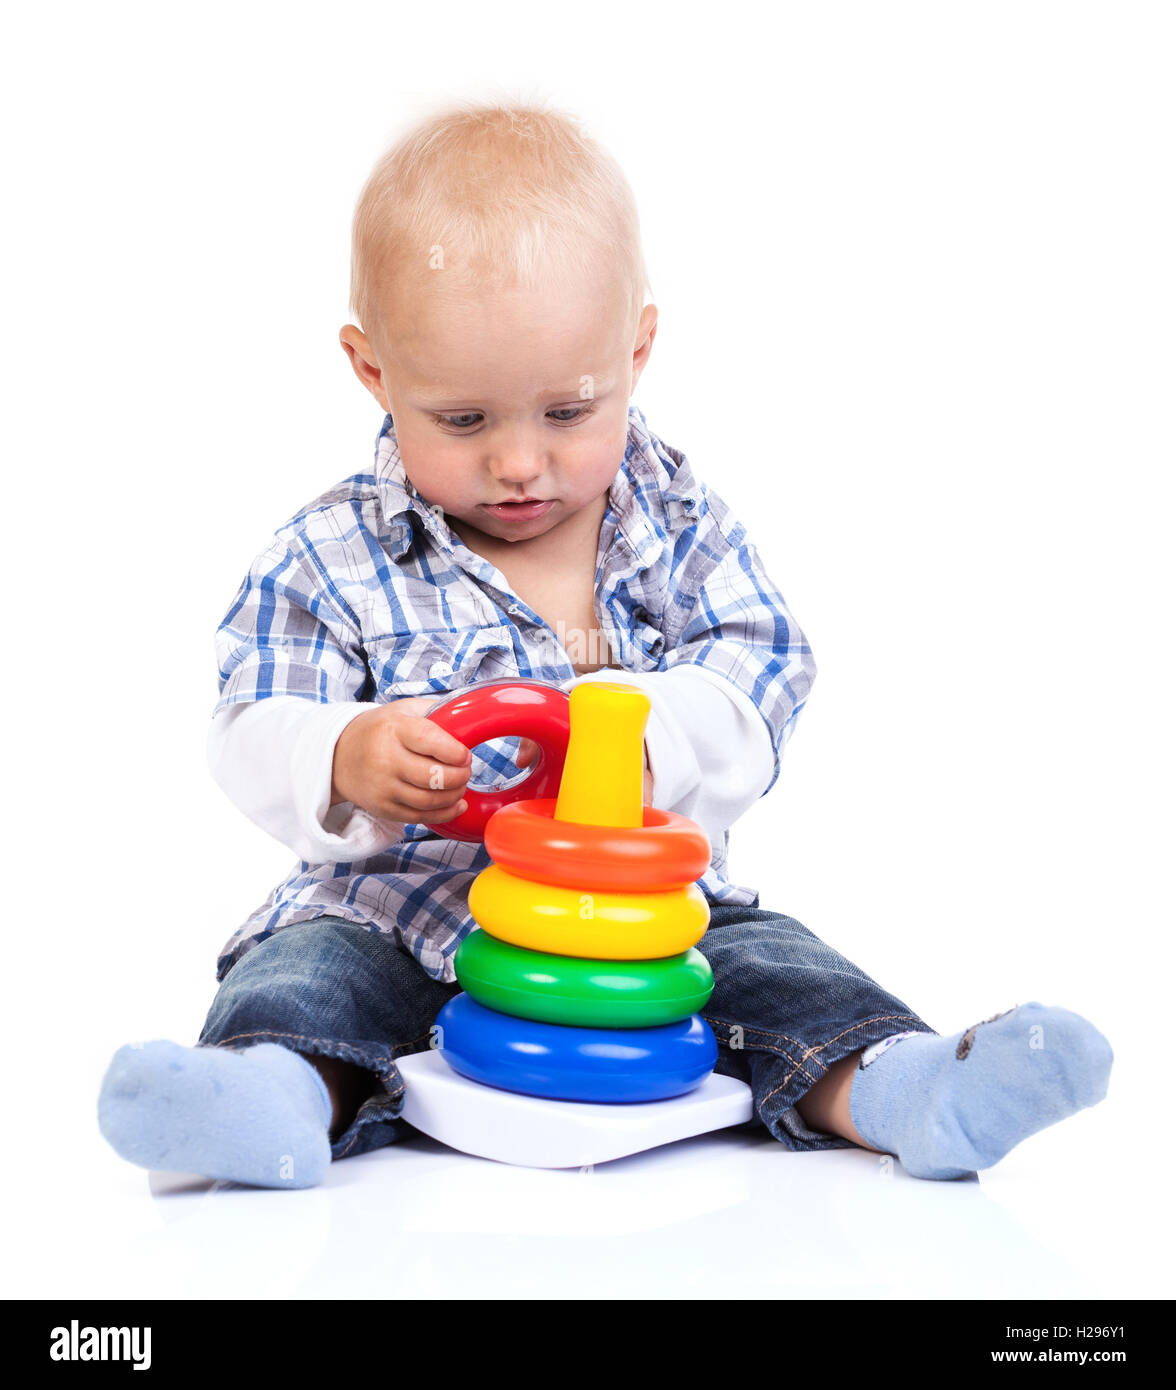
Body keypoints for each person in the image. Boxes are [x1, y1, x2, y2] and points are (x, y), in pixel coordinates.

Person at [97, 100, 1112, 1189]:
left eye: (568, 411)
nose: (519, 463)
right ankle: (264, 1096)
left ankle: (907, 1087)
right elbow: (252, 718)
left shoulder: (676, 523)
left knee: (776, 968)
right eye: (465, 420)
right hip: (393, 914)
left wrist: (656, 738)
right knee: (302, 978)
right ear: (374, 370)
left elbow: (763, 663)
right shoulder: (329, 553)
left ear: (636, 351)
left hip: (640, 927)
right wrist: (342, 754)